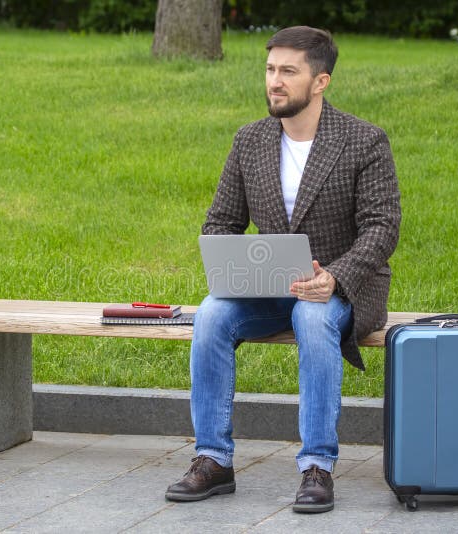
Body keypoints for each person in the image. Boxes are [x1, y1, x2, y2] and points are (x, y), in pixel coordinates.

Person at [165, 26, 401, 513]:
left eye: (288, 71)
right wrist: (237, 265)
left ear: (321, 82)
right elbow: (221, 222)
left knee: (314, 318)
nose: (275, 81)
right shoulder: (250, 140)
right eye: (271, 69)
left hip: (341, 288)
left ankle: (317, 467)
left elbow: (382, 227)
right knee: (210, 314)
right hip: (271, 285)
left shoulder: (364, 140)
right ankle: (213, 460)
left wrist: (334, 277)